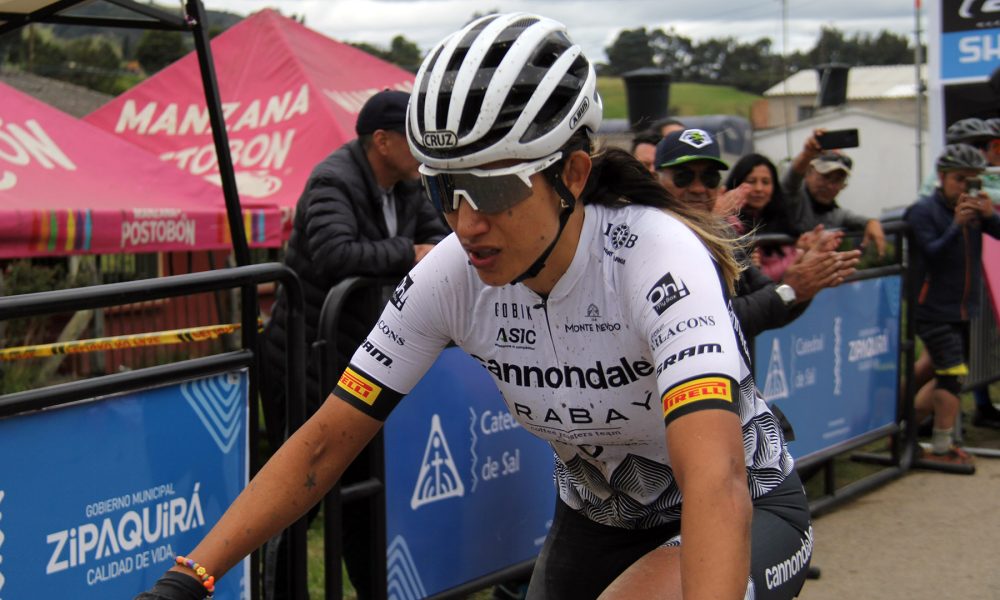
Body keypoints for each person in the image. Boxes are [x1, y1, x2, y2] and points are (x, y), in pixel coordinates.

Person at [138, 13, 813, 600]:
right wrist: (187, 578)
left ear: (572, 175)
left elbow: (714, 479)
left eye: (491, 190)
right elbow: (322, 444)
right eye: (444, 189)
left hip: (741, 501)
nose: (465, 224)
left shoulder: (655, 256)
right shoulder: (453, 275)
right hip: (598, 517)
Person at [259, 89, 450, 598]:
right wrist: (409, 252)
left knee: (364, 491)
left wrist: (422, 251)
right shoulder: (332, 179)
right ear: (381, 141)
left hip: (362, 358)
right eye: (413, 137)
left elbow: (443, 243)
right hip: (305, 358)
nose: (423, 148)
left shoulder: (409, 183)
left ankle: (373, 590)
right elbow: (334, 254)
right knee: (296, 492)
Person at [654, 128, 860, 340]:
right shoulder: (651, 240)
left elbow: (768, 297)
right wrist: (791, 290)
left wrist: (805, 278)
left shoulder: (722, 232)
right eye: (683, 177)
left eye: (709, 177)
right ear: (655, 179)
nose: (698, 188)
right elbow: (714, 320)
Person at [905, 143, 1000, 465]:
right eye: (960, 179)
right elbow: (930, 253)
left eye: (973, 180)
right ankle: (942, 447)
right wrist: (956, 224)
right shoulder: (922, 211)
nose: (965, 187)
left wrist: (989, 215)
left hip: (963, 308)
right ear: (942, 176)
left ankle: (900, 427)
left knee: (938, 372)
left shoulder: (974, 211)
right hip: (931, 307)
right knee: (952, 375)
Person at [782, 130, 887, 257]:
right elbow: (792, 179)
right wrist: (807, 154)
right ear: (808, 173)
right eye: (825, 176)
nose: (830, 186)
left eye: (838, 180)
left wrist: (872, 222)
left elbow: (859, 220)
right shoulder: (794, 200)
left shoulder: (837, 214)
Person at [725, 153, 803, 281]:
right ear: (736, 184)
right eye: (751, 181)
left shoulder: (782, 218)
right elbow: (756, 278)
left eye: (765, 182)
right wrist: (799, 255)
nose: (759, 188)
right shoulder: (730, 223)